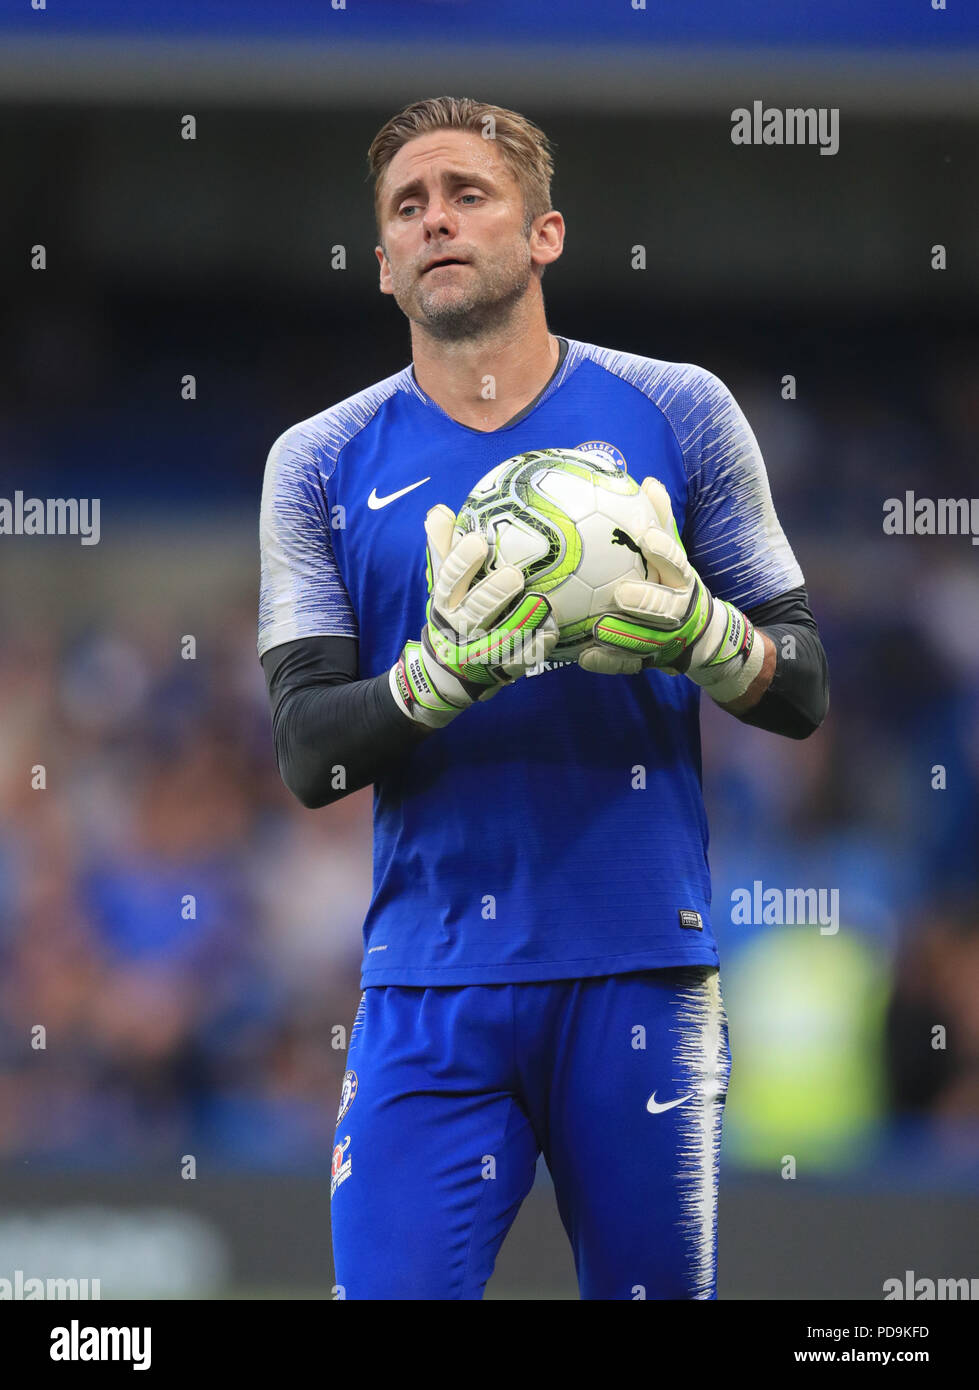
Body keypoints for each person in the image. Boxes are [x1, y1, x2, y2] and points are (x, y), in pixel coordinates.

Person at [257, 95, 829, 1300]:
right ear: (381, 266)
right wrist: (440, 674)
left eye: (468, 194)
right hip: (424, 984)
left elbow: (802, 684)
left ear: (546, 234)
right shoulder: (316, 459)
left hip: (639, 970)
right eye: (407, 207)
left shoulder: (677, 408)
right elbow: (309, 751)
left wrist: (704, 636)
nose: (436, 221)